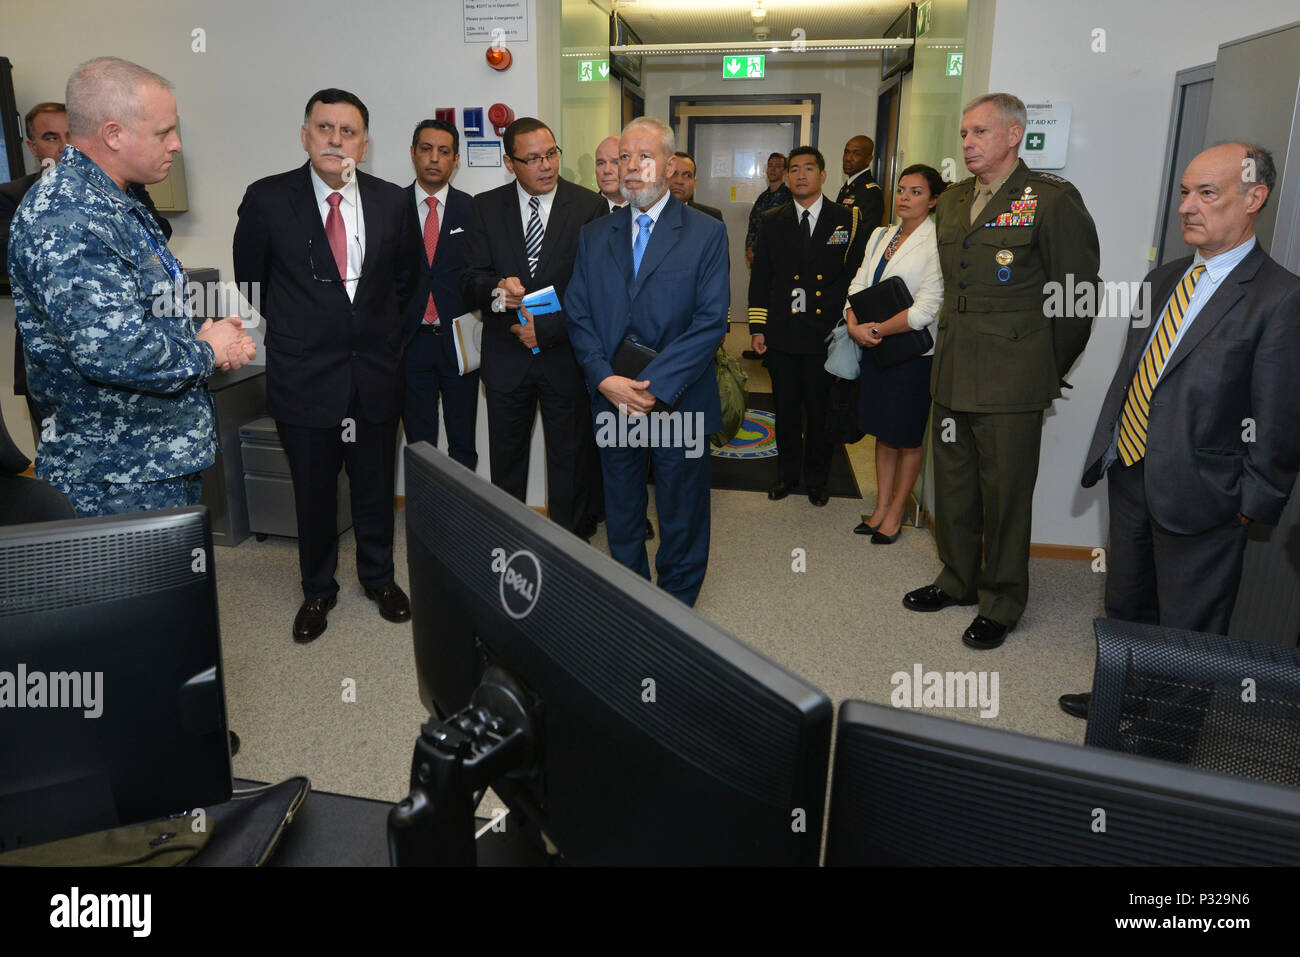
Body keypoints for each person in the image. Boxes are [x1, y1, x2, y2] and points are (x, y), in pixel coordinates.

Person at [1058, 143, 1300, 720]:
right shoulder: (1164, 279)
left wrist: (1252, 504)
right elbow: (1136, 374)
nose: (1188, 207)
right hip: (1133, 471)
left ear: (1253, 199)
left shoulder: (1281, 298)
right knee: (1126, 601)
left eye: (1207, 194)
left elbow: (1280, 414)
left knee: (1188, 628)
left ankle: (1166, 742)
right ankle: (1119, 699)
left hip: (1208, 491)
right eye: (1185, 193)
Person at [7, 57, 254, 517]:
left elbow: (147, 306)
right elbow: (111, 351)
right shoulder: (67, 217)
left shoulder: (119, 199)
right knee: (136, 590)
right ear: (113, 134)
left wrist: (206, 335)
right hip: (114, 476)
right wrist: (206, 353)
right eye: (164, 132)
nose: (177, 145)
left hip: (152, 460)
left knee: (178, 587)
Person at [901, 93, 1100, 650]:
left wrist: (1042, 366)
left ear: (1014, 136)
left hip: (1013, 377)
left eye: (980, 132)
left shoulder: (1050, 200)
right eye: (964, 133)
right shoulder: (955, 198)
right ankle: (958, 579)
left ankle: (1003, 600)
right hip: (955, 366)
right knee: (955, 484)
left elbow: (1076, 298)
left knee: (1006, 494)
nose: (967, 142)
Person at [233, 88, 420, 643]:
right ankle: (317, 591)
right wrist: (304, 328)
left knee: (374, 486)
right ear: (305, 135)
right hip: (304, 379)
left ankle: (379, 579)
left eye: (348, 131)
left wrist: (378, 338)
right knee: (312, 495)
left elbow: (406, 286)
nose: (335, 140)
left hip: (375, 379)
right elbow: (251, 282)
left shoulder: (391, 201)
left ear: (364, 142)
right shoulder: (268, 199)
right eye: (324, 128)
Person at [565, 116, 729, 606]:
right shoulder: (595, 235)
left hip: (678, 398)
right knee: (623, 505)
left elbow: (710, 323)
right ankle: (631, 599)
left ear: (670, 165)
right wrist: (605, 380)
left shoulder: (705, 232)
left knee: (681, 507)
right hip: (613, 398)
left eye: (643, 158)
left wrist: (652, 386)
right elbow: (577, 314)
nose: (630, 168)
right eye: (622, 159)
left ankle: (676, 607)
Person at [460, 117, 607, 538]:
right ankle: (508, 542)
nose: (546, 165)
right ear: (510, 162)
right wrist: (496, 292)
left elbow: (595, 290)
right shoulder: (486, 207)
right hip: (507, 360)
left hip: (564, 357)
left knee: (570, 459)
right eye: (533, 158)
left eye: (552, 154)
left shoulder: (588, 207)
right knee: (506, 461)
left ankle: (569, 546)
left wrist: (549, 330)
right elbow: (468, 280)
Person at [3, 101, 172, 449]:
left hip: (134, 355)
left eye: (70, 134)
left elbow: (159, 234)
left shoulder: (123, 187)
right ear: (33, 147)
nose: (63, 146)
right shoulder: (18, 198)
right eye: (51, 137)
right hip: (62, 369)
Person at [748, 146, 867, 506]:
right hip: (783, 332)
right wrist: (757, 327)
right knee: (785, 409)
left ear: (823, 175)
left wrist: (852, 322)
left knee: (820, 411)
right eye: (794, 169)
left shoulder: (847, 219)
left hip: (825, 334)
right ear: (787, 176)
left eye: (808, 168)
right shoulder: (773, 219)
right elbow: (762, 278)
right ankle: (786, 476)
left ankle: (817, 479)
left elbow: (856, 275)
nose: (800, 175)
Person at [846, 164, 945, 543]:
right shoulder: (879, 235)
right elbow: (858, 284)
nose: (905, 197)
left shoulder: (937, 241)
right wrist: (854, 324)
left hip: (912, 357)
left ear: (934, 200)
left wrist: (875, 330)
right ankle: (881, 507)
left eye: (916, 192)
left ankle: (898, 510)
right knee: (883, 434)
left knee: (906, 437)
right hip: (875, 349)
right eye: (902, 189)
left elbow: (926, 309)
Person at [402, 118, 478, 471]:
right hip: (410, 342)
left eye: (443, 151)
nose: (434, 158)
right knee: (420, 445)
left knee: (464, 442)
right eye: (426, 149)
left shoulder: (474, 210)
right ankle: (425, 524)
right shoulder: (390, 208)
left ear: (455, 160)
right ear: (414, 154)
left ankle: (463, 522)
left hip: (460, 342)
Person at [745, 152, 792, 266]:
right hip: (758, 256)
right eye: (770, 165)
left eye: (777, 166)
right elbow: (753, 224)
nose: (773, 169)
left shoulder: (789, 197)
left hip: (779, 258)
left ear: (785, 171)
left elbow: (790, 230)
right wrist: (749, 248)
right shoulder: (762, 197)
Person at [837, 135, 885, 230]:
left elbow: (865, 233)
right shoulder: (848, 187)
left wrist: (830, 240)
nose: (848, 158)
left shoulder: (870, 192)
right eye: (846, 152)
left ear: (868, 159)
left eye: (856, 154)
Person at [669, 151, 723, 221]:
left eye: (687, 175)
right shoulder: (650, 214)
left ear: (694, 184)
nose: (679, 181)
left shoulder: (712, 217)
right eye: (673, 174)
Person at [594, 135, 625, 213]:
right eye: (601, 163)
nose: (607, 170)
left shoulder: (646, 209)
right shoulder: (583, 212)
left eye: (615, 163)